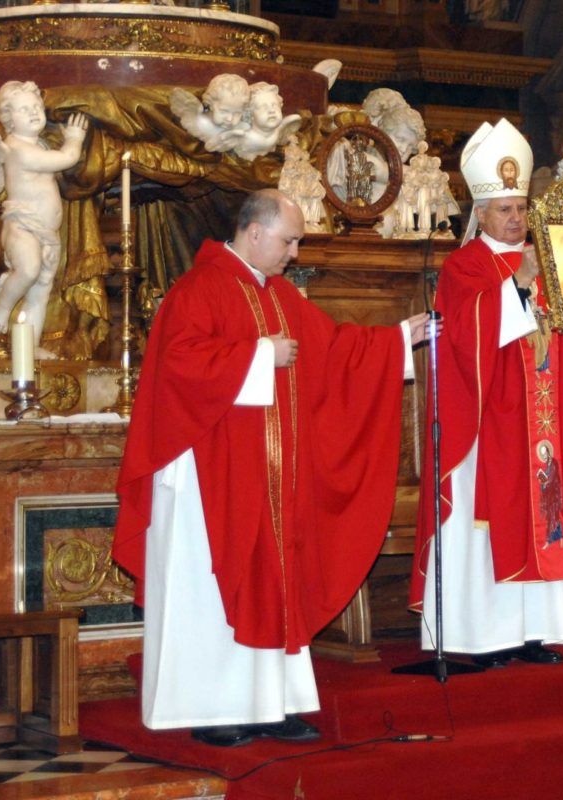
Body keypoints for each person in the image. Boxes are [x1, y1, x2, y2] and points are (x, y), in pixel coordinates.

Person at [113, 189, 432, 747]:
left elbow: (332, 351)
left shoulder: (279, 294)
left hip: (267, 480)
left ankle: (270, 704)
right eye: (288, 240)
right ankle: (212, 707)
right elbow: (179, 368)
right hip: (206, 483)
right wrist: (259, 355)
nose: (294, 250)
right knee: (211, 588)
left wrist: (396, 339)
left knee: (272, 578)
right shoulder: (198, 289)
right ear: (254, 233)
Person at [409, 118, 563, 668]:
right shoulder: (465, 264)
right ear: (481, 211)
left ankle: (537, 632)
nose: (516, 218)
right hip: (490, 422)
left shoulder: (557, 256)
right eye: (505, 209)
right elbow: (465, 333)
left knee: (545, 513)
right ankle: (485, 635)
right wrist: (517, 287)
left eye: (521, 207)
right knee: (491, 520)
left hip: (545, 423)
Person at [0, 81, 88, 347]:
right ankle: (2, 308)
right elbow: (64, 160)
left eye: (36, 106)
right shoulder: (16, 148)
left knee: (40, 293)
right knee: (28, 271)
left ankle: (29, 348)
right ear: (8, 119)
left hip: (46, 233)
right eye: (23, 109)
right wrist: (74, 140)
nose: (33, 112)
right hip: (21, 225)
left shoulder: (38, 143)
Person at [233, 82, 302, 162]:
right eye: (263, 107)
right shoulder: (244, 135)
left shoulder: (278, 131)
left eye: (275, 105)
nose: (271, 110)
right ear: (250, 114)